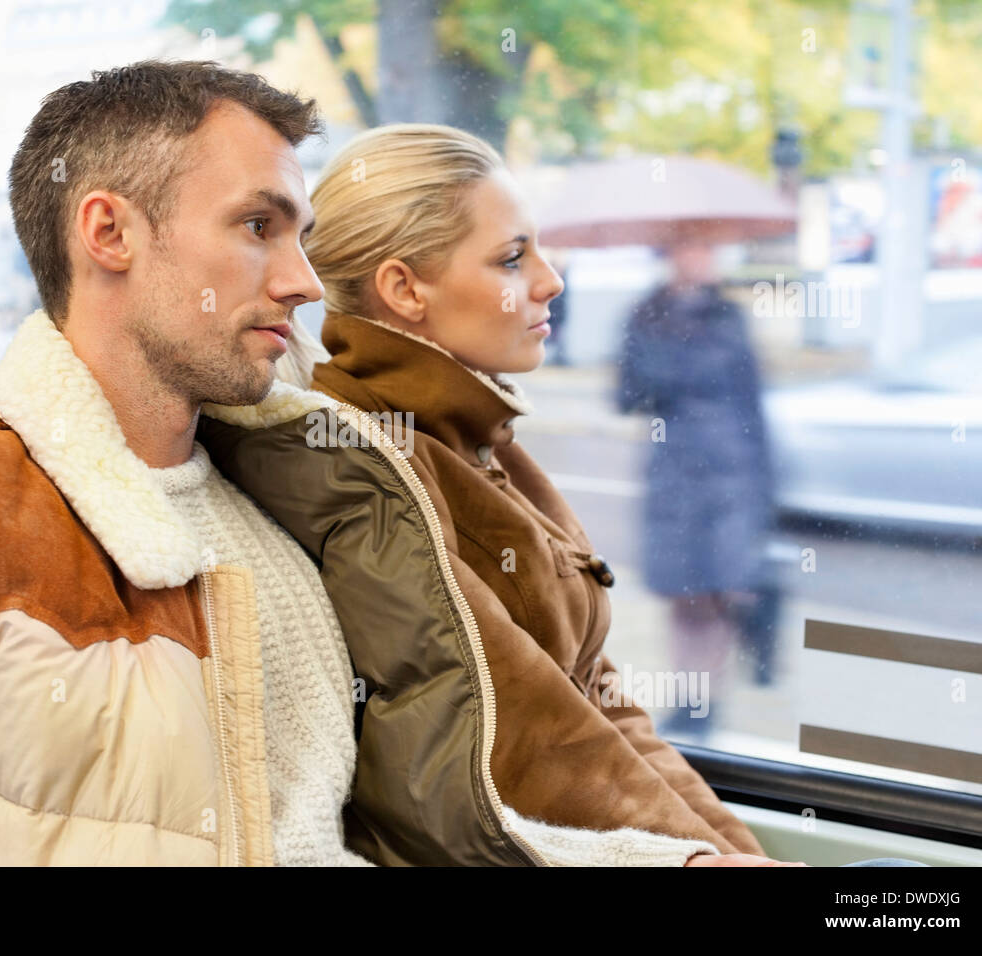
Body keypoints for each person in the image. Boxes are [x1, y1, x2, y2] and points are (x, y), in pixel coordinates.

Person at [0, 61, 731, 867]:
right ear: (108, 230)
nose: (300, 283)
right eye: (258, 227)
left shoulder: (283, 528)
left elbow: (360, 837)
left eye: (297, 235)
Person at [296, 122, 812, 867]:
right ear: (405, 288)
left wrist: (737, 851)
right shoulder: (372, 467)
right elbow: (538, 742)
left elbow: (602, 705)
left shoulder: (483, 440)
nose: (551, 280)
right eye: (512, 258)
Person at [615, 239, 778, 737]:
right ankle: (691, 701)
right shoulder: (644, 316)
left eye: (708, 249)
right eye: (691, 247)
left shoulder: (730, 316)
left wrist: (766, 480)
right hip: (675, 471)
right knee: (683, 590)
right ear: (670, 254)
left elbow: (752, 400)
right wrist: (663, 354)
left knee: (721, 586)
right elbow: (626, 397)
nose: (701, 258)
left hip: (732, 468)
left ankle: (710, 695)